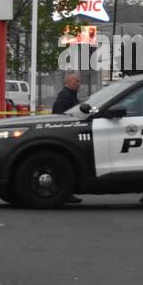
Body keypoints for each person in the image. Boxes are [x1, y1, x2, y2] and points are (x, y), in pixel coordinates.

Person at [52, 71, 83, 203]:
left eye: (79, 81)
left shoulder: (70, 95)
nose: (79, 84)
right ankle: (65, 193)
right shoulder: (66, 96)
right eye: (77, 81)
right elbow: (60, 114)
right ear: (68, 82)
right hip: (65, 133)